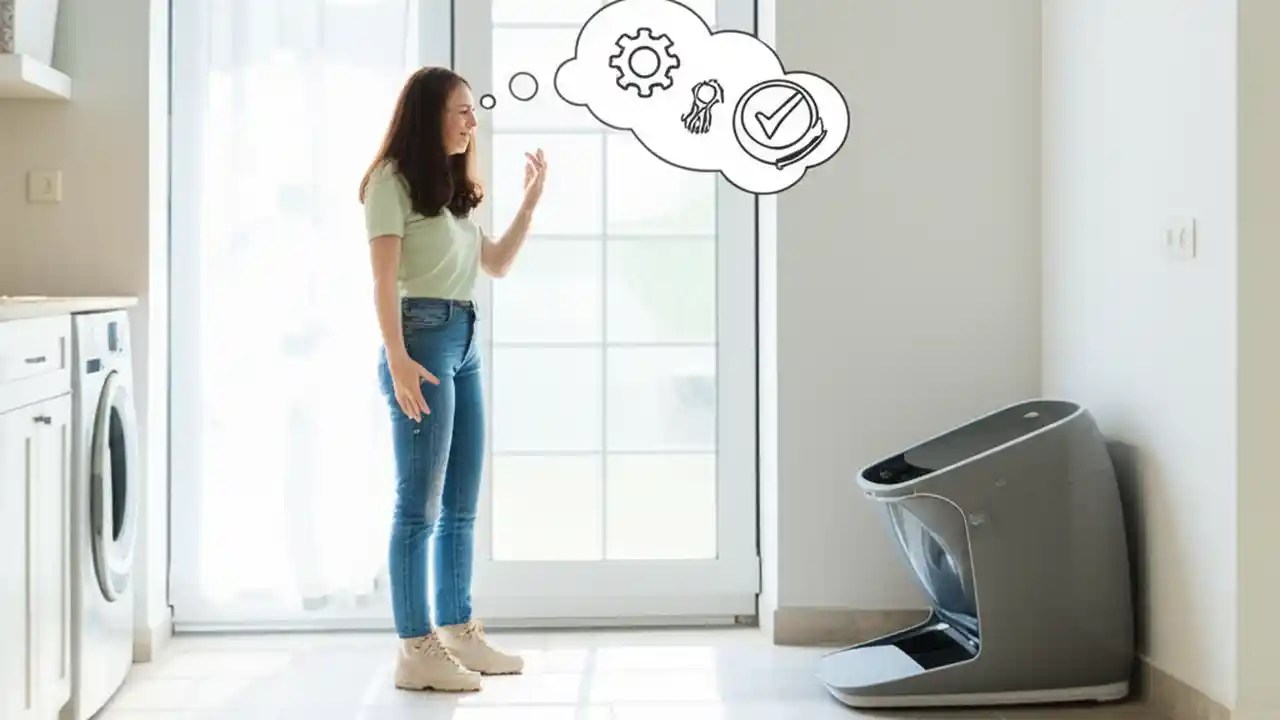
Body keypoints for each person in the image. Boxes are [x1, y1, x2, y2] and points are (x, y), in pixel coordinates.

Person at [359, 66, 547, 692]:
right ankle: (416, 648)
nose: (472, 122)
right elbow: (384, 280)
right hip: (420, 338)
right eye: (461, 110)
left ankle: (458, 631)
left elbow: (493, 264)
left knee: (461, 504)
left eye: (473, 111)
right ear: (428, 115)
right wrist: (397, 357)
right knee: (419, 506)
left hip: (464, 337)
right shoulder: (391, 181)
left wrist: (527, 203)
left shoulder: (454, 185)